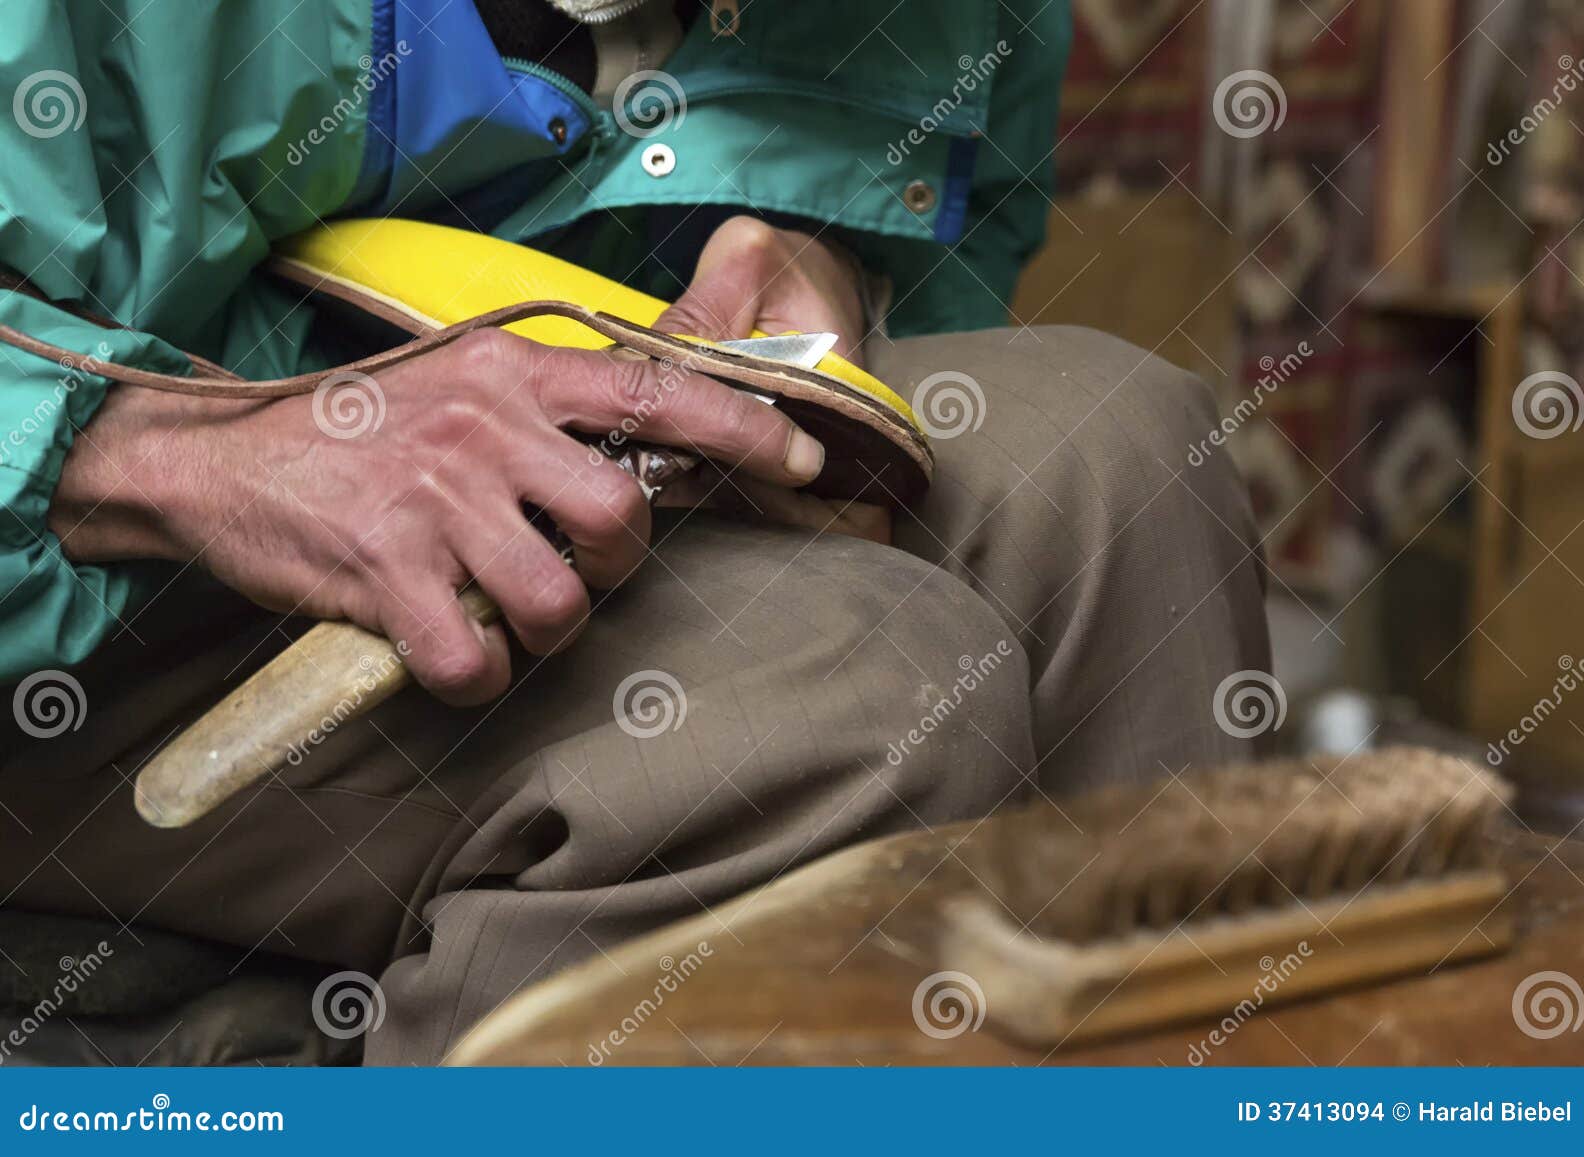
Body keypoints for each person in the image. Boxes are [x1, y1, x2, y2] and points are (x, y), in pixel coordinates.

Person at [0, 0, 1269, 1063]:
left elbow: (952, 190)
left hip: (513, 422)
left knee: (1116, 459)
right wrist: (171, 451)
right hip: (77, 568)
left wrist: (834, 258)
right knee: (841, 686)